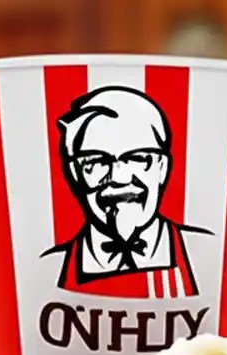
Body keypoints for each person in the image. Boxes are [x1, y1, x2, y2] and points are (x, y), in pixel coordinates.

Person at [43, 86, 204, 298]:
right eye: (97, 160)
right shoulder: (48, 268)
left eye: (138, 158)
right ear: (75, 173)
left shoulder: (204, 253)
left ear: (162, 168)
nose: (119, 178)